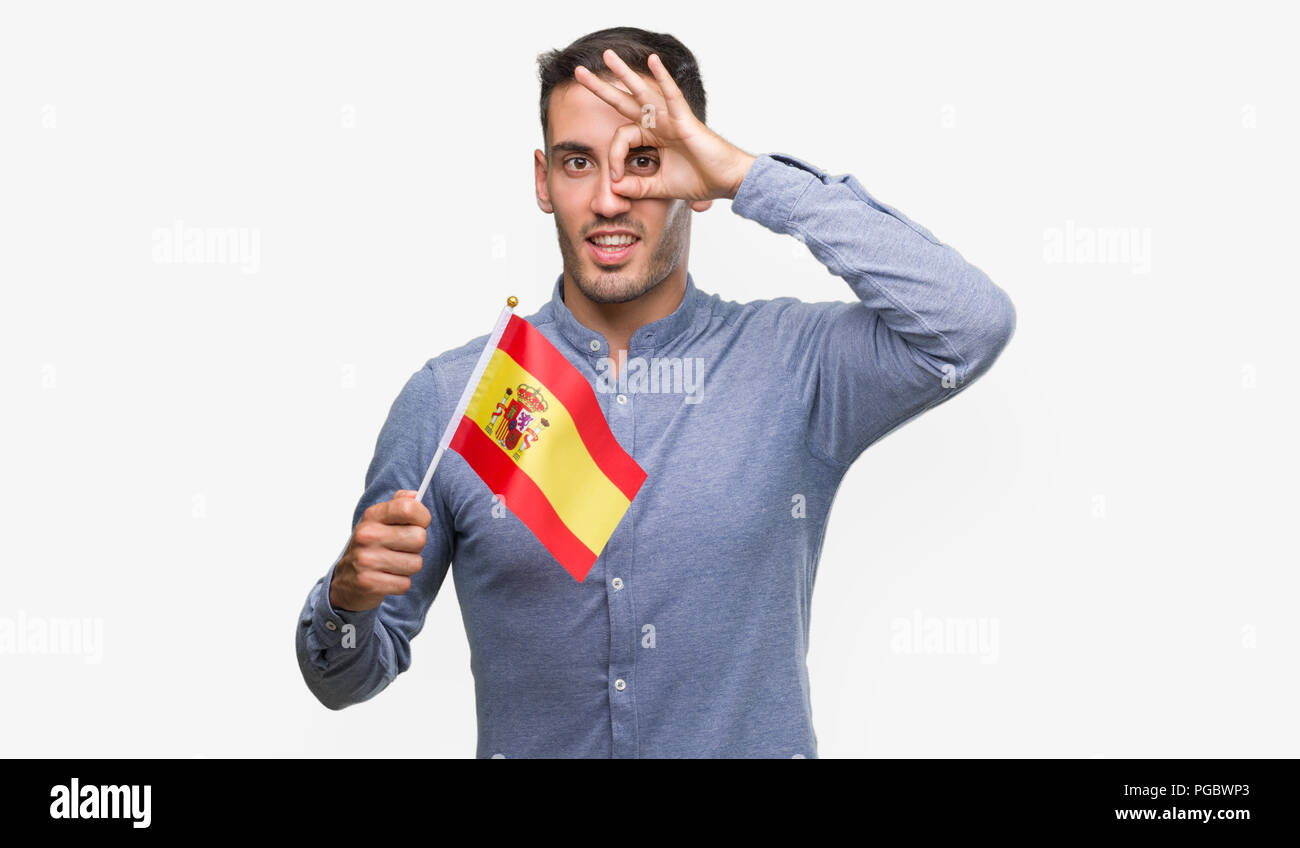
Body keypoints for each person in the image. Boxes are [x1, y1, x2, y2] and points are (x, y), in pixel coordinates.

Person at [295, 26, 1017, 758]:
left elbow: (969, 324)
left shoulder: (794, 367)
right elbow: (344, 679)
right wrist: (346, 600)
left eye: (644, 161)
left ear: (690, 174)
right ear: (543, 181)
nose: (610, 198)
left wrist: (746, 176)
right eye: (579, 163)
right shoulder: (457, 397)